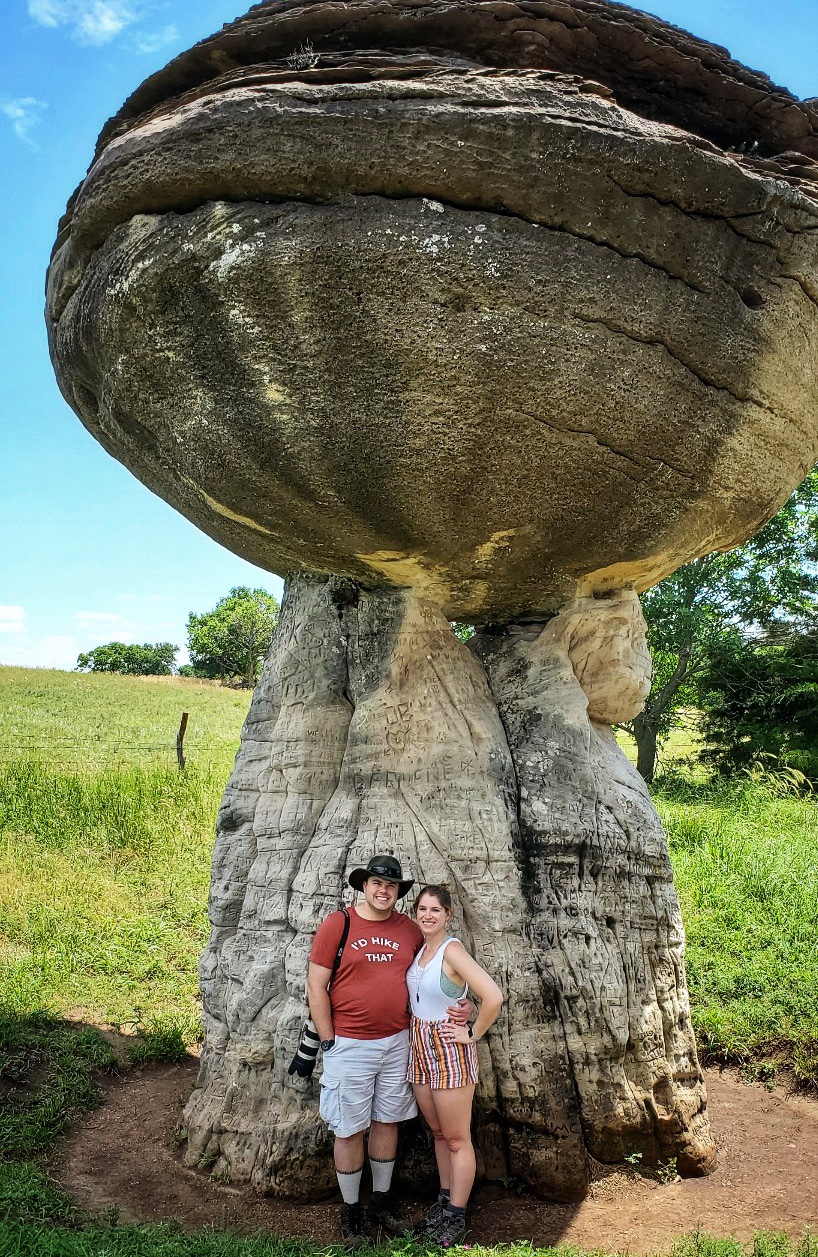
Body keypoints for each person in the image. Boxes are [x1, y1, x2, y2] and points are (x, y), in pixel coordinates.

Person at [307, 855, 470, 1248]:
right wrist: (330, 1038)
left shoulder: (409, 930)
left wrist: (463, 1005)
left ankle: (381, 1201)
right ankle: (351, 1212)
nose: (384, 890)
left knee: (387, 1121)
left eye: (392, 886)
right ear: (364, 886)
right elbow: (316, 985)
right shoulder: (338, 924)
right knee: (348, 1128)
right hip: (350, 1042)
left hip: (399, 1042)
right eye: (377, 883)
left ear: (399, 893)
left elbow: (431, 978)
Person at [407, 884, 504, 1248]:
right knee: (439, 1135)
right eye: (422, 908)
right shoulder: (422, 952)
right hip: (419, 1046)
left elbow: (492, 996)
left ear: (448, 915)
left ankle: (456, 1217)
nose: (428, 915)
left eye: (436, 909)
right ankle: (445, 1203)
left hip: (448, 1049)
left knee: (459, 1139)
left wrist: (472, 1032)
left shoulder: (452, 950)